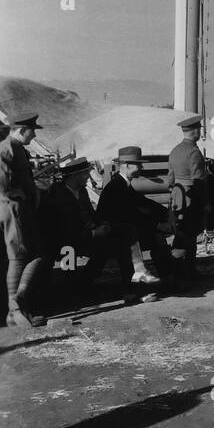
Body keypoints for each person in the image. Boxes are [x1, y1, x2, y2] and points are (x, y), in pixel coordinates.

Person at [49, 156, 161, 297]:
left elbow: (91, 213)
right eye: (85, 174)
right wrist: (94, 233)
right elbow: (64, 228)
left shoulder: (82, 191)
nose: (87, 177)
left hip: (87, 234)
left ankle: (132, 283)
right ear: (74, 176)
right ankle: (75, 285)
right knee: (70, 255)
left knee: (125, 234)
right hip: (67, 241)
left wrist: (103, 224)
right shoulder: (59, 195)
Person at [95, 147, 173, 283]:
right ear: (126, 166)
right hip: (116, 234)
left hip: (126, 231)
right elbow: (132, 215)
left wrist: (166, 213)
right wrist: (158, 224)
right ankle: (167, 280)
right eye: (138, 164)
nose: (141, 167)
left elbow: (144, 203)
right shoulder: (117, 187)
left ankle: (168, 278)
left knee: (157, 237)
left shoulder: (123, 183)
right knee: (157, 237)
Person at [0, 113, 48, 326]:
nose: (34, 134)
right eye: (32, 131)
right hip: (12, 209)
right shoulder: (7, 146)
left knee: (36, 255)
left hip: (22, 209)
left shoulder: (17, 147)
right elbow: (2, 180)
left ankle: (17, 305)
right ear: (20, 131)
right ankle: (15, 311)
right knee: (19, 256)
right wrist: (8, 193)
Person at [165, 113, 209, 279]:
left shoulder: (174, 151)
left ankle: (184, 269)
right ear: (195, 131)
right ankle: (188, 270)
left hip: (177, 197)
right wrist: (205, 203)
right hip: (191, 198)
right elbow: (199, 181)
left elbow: (170, 178)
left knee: (182, 232)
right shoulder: (194, 153)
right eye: (199, 129)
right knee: (190, 234)